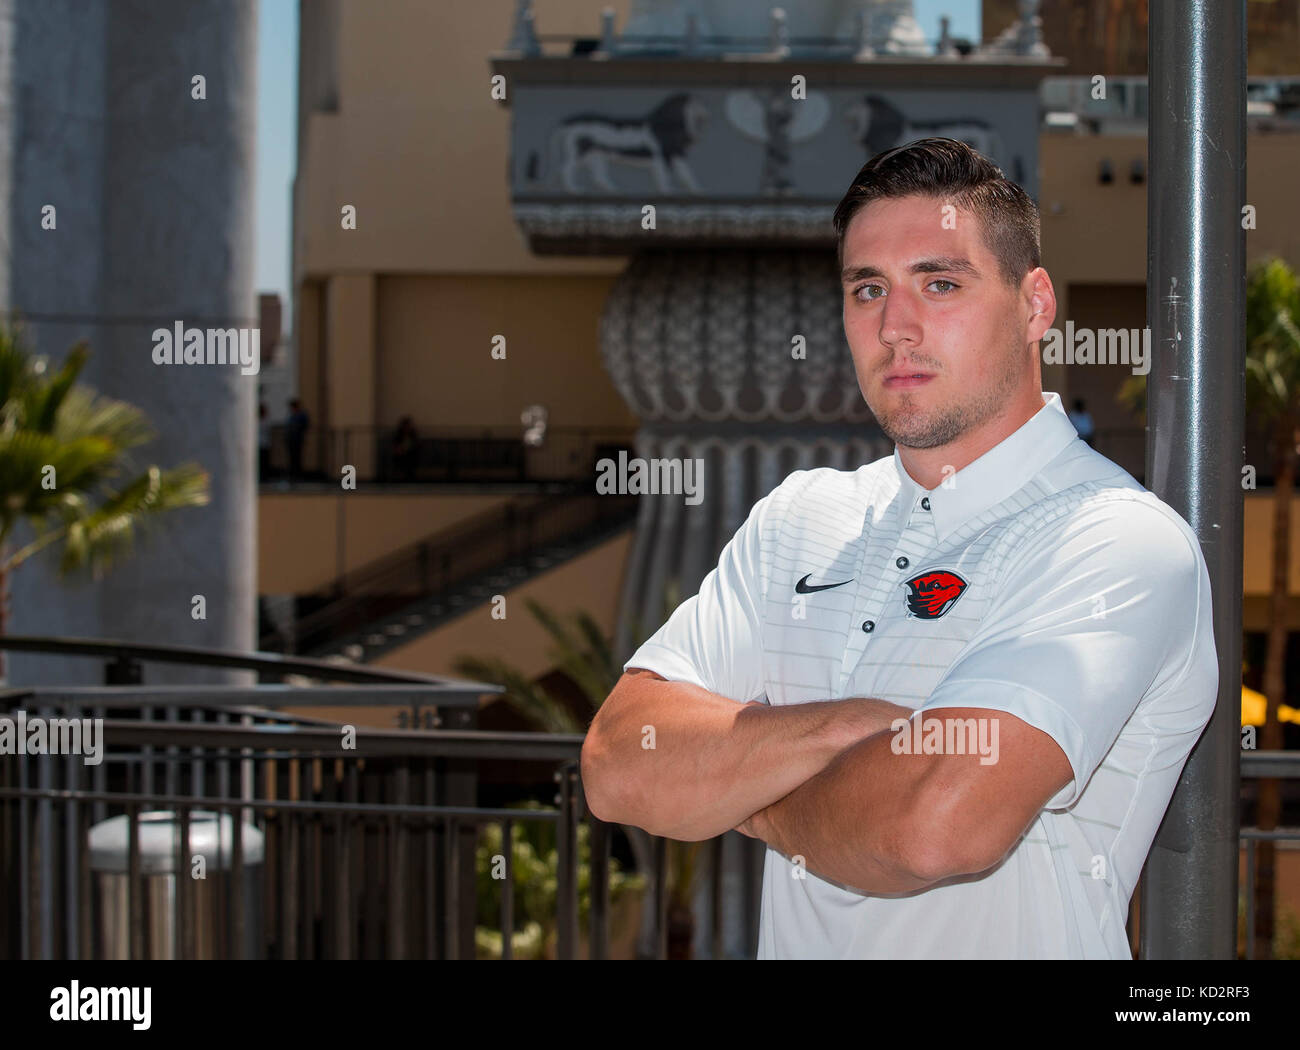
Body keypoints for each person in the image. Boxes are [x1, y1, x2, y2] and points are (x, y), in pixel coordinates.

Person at [581, 138, 1218, 959]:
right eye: (867, 289)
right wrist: (848, 730)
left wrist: (738, 792)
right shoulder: (800, 516)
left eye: (940, 283)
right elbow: (617, 764)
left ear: (1034, 306)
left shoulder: (1111, 537)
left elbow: (937, 827)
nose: (896, 326)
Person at [285, 398, 309, 483]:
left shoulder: (301, 415)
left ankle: (297, 475)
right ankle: (293, 475)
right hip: (291, 439)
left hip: (297, 439)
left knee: (297, 458)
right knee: (292, 458)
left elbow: (304, 426)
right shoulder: (292, 415)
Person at [391, 415, 419, 481]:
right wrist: (399, 449)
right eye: (406, 425)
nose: (407, 427)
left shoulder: (413, 434)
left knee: (411, 458)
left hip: (411, 453)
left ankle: (410, 476)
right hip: (400, 454)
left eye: (408, 425)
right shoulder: (398, 434)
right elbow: (395, 445)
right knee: (399, 458)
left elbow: (416, 444)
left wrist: (409, 448)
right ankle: (399, 476)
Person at [257, 400, 272, 480]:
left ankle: (263, 476)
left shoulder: (260, 421)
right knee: (263, 462)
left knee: (262, 462)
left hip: (262, 443)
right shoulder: (266, 420)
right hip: (264, 443)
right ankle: (263, 476)